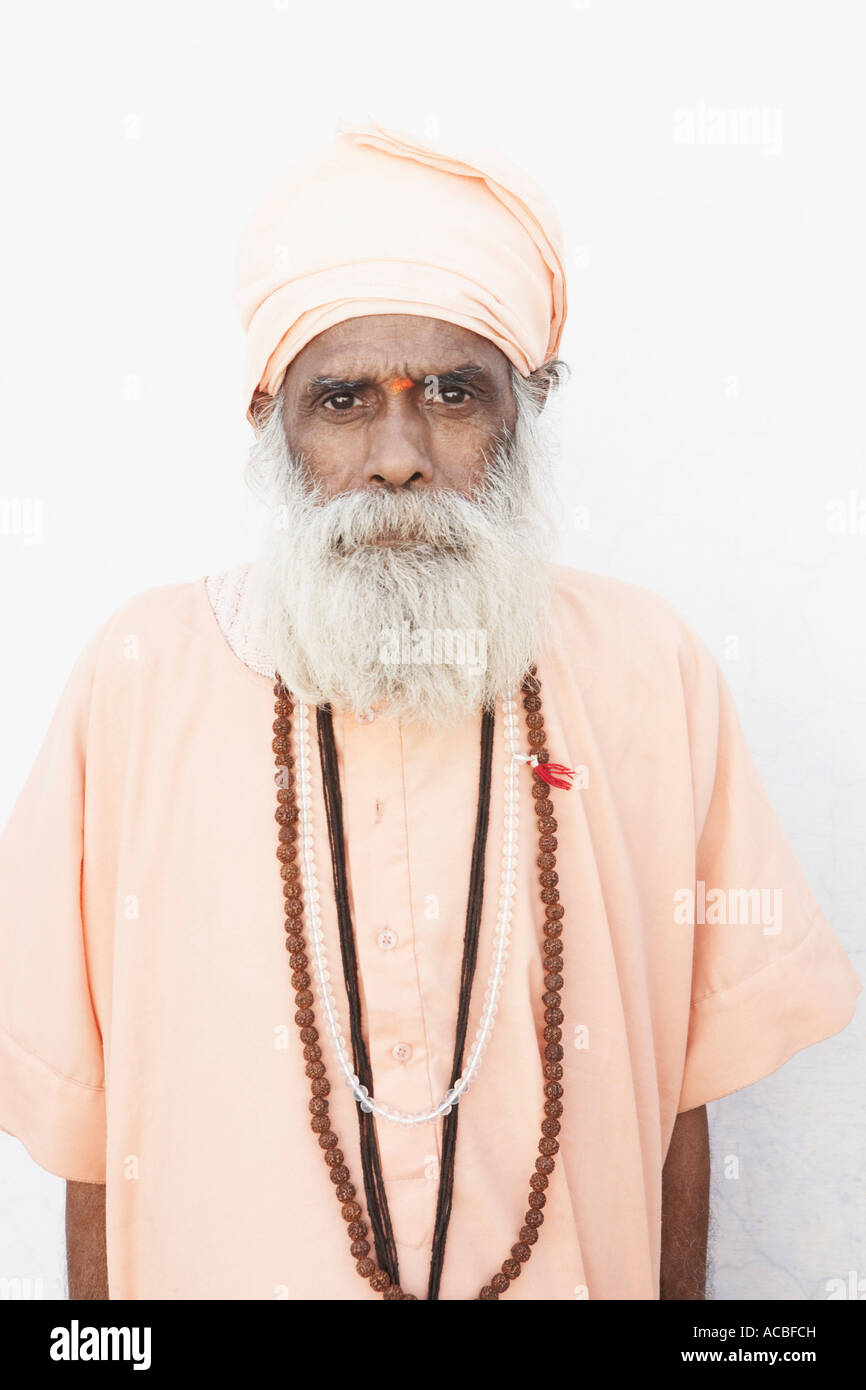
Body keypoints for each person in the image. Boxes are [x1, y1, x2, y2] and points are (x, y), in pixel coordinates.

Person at [0, 120, 859, 1302]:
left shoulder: (643, 665)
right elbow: (91, 1139)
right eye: (343, 399)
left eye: (452, 394)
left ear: (523, 414)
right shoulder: (139, 674)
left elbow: (677, 1102)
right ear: (271, 422)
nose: (397, 454)